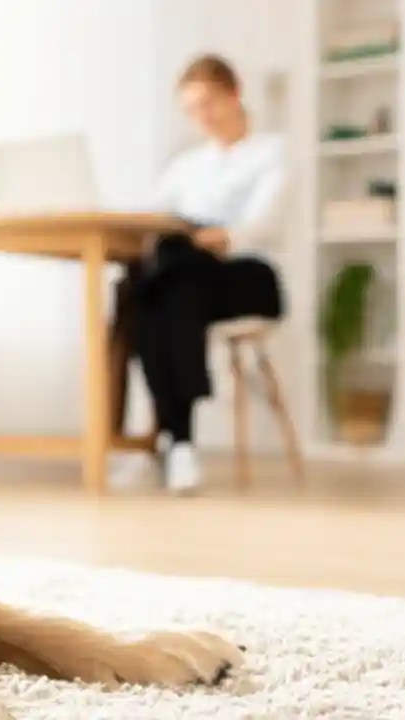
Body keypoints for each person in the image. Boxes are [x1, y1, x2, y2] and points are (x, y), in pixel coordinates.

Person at [119, 54, 287, 494]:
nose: (203, 117)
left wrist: (220, 236)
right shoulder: (188, 165)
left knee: (153, 285)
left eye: (209, 103)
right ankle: (180, 444)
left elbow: (263, 224)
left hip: (249, 275)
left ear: (234, 95)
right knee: (157, 283)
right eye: (192, 109)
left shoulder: (272, 151)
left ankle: (172, 441)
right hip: (188, 278)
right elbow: (151, 218)